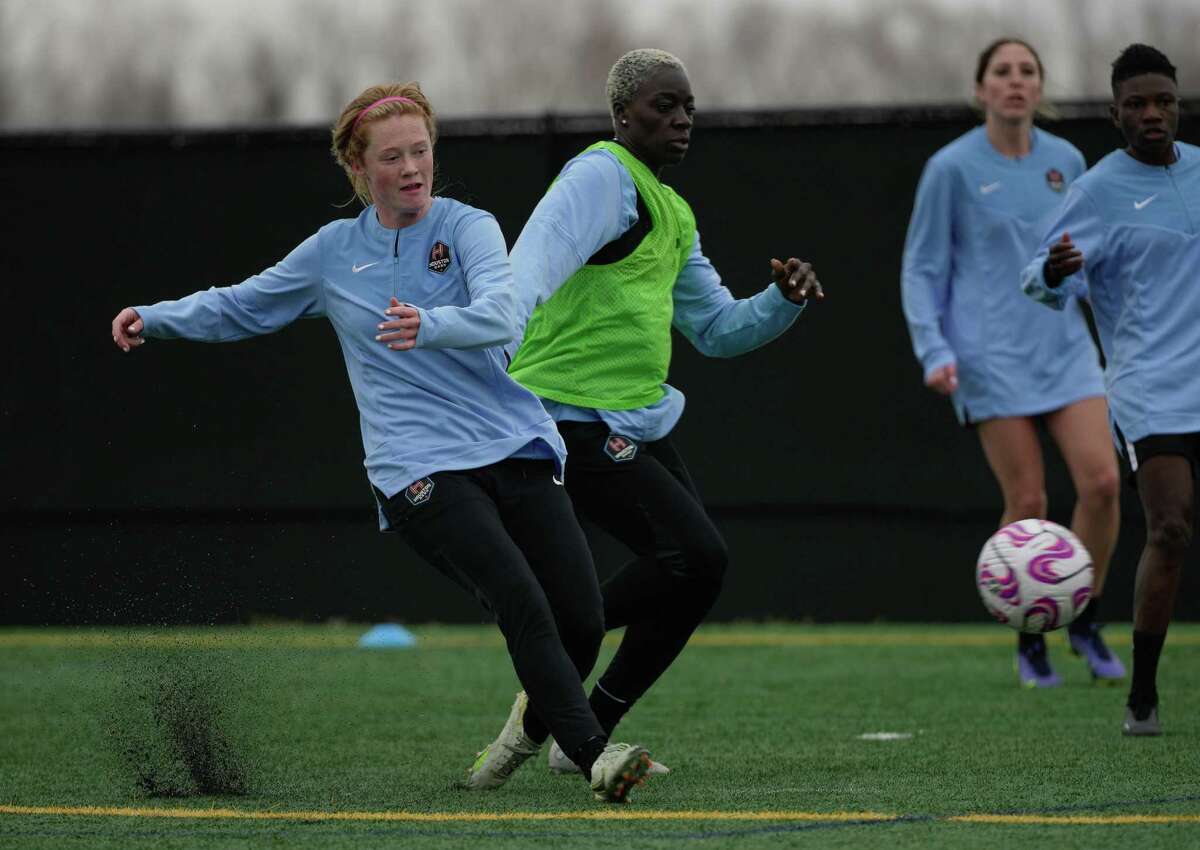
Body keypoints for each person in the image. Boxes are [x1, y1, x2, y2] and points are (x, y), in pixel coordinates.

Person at [109, 82, 655, 801]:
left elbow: (502, 314)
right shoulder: (333, 252)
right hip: (417, 468)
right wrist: (154, 317)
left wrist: (430, 325)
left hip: (512, 444)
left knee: (581, 621)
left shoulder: (468, 226)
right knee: (518, 597)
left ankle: (524, 734)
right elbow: (244, 305)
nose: (411, 168)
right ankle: (595, 757)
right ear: (358, 168)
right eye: (392, 157)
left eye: (420, 151)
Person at [468, 48, 821, 785]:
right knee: (696, 556)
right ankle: (558, 692)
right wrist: (489, 352)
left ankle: (573, 721)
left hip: (632, 420)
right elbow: (527, 271)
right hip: (568, 417)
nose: (682, 118)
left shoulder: (673, 211)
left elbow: (716, 329)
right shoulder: (600, 176)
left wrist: (781, 301)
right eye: (665, 105)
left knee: (698, 572)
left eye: (689, 106)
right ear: (622, 114)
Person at [901, 38, 1123, 688]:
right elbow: (922, 268)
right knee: (1028, 500)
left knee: (1103, 485)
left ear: (1040, 87)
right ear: (981, 89)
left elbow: (1084, 257)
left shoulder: (1067, 160)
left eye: (1027, 71)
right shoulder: (949, 168)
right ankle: (1031, 638)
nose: (1016, 81)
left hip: (1066, 350)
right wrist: (934, 349)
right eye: (1002, 72)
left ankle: (1081, 616)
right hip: (988, 356)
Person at [1023, 44, 1197, 735]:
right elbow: (1037, 277)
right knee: (1171, 526)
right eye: (1137, 104)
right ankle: (1142, 695)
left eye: (1164, 102)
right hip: (1150, 385)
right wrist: (1056, 271)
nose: (1152, 113)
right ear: (1115, 113)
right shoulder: (1097, 190)